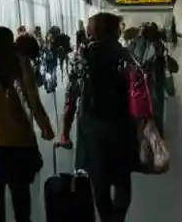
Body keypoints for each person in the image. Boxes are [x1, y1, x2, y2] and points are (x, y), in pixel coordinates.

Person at [0, 27, 54, 222]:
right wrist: (45, 126)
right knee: (21, 193)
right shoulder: (22, 63)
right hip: (19, 138)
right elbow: (33, 100)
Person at [59, 13, 137, 222]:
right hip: (122, 124)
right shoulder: (124, 55)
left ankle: (105, 218)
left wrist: (65, 130)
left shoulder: (81, 58)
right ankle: (117, 218)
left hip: (91, 127)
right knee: (122, 180)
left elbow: (71, 96)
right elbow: (138, 89)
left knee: (98, 181)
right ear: (115, 31)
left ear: (90, 32)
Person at [130, 23, 168, 136]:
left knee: (148, 102)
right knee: (156, 104)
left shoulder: (141, 43)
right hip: (155, 81)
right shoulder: (158, 44)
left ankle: (148, 126)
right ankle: (157, 128)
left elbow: (135, 57)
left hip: (148, 79)